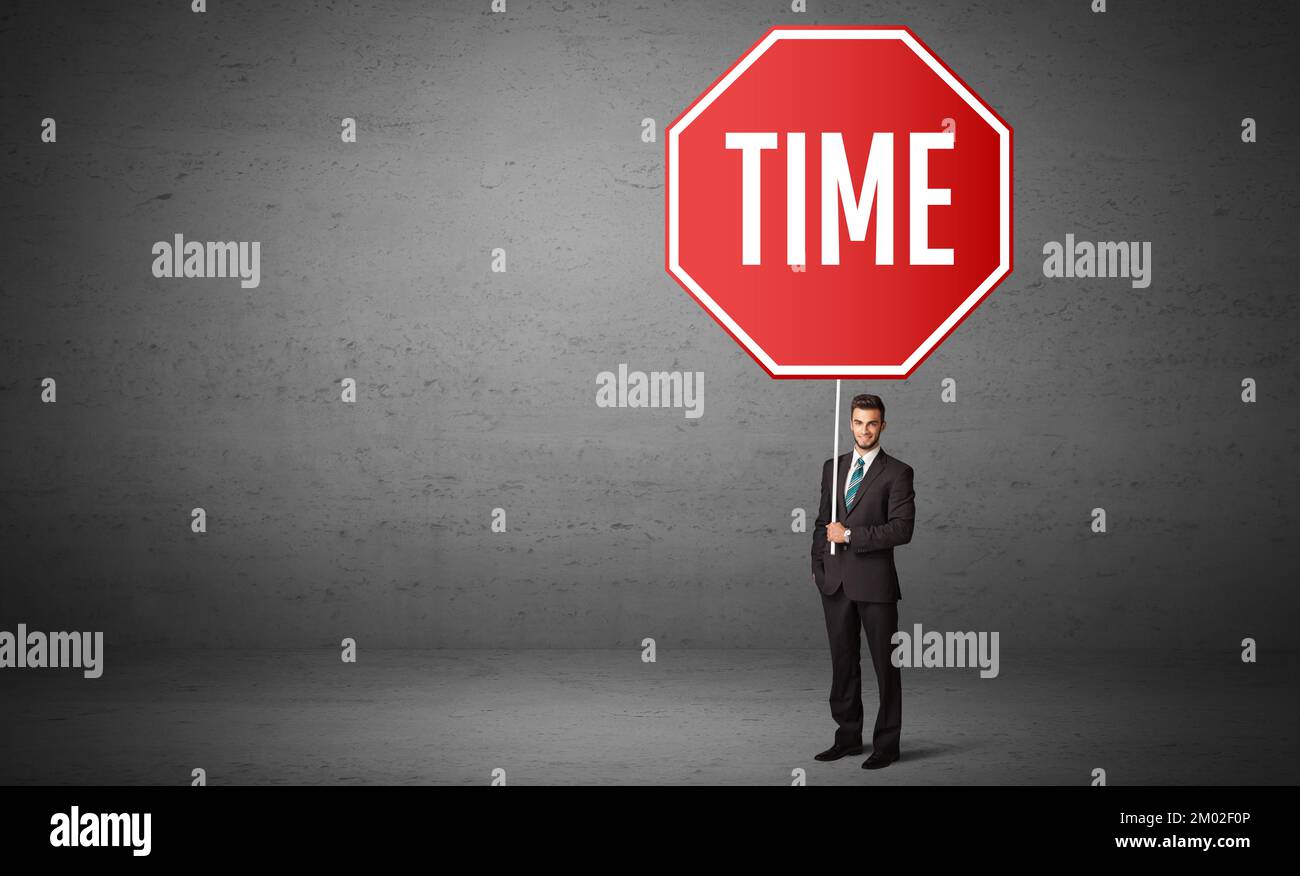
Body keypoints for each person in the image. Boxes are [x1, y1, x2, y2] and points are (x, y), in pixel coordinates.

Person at [810, 393, 915, 769]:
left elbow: (902, 530)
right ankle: (848, 737)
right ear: (850, 423)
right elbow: (822, 522)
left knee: (886, 667)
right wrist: (819, 568)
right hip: (835, 584)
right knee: (843, 663)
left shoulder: (898, 473)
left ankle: (887, 744)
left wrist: (852, 536)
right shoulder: (832, 467)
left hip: (875, 585)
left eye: (872, 423)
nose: (864, 430)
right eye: (858, 422)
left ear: (882, 426)